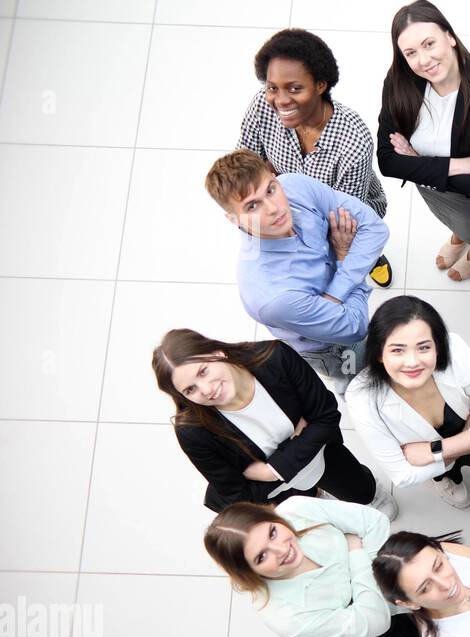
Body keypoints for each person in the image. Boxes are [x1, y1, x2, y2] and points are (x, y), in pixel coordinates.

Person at [153, 328, 395, 517]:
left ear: (218, 353)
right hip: (275, 492)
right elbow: (238, 493)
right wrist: (298, 445)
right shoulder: (192, 431)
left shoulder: (275, 358)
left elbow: (326, 416)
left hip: (322, 456)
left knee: (360, 490)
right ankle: (316, 495)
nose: (206, 390)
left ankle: (370, 498)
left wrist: (271, 470)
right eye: (190, 389)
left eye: (203, 371)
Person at [205, 149, 389, 392]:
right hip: (331, 348)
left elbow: (376, 229)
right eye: (252, 206)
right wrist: (344, 257)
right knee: (360, 384)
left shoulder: (293, 185)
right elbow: (354, 327)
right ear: (234, 219)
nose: (273, 208)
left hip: (341, 306)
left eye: (271, 189)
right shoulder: (271, 295)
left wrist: (335, 292)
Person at [239, 28, 394, 288]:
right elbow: (244, 169)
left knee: (356, 240)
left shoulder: (353, 140)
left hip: (345, 213)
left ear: (321, 85)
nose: (281, 100)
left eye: (295, 88)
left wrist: (270, 178)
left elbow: (344, 215)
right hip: (286, 209)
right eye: (273, 88)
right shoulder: (262, 106)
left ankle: (373, 259)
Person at [378, 2, 470, 282]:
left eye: (429, 44)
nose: (423, 60)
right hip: (438, 185)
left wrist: (415, 164)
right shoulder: (399, 80)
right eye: (411, 53)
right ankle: (458, 237)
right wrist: (453, 165)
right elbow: (387, 161)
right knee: (455, 221)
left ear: (450, 37)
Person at [345, 296, 470, 510]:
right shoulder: (361, 397)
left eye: (423, 348)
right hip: (455, 446)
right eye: (397, 350)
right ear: (379, 354)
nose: (412, 362)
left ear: (438, 347)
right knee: (449, 467)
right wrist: (467, 440)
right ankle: (448, 477)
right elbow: (402, 475)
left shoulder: (454, 347)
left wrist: (438, 450)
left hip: (432, 452)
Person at [204, 496, 415, 637]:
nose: (281, 550)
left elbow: (374, 521)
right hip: (393, 619)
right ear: (248, 571)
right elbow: (374, 622)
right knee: (411, 633)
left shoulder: (296, 509)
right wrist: (356, 553)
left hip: (400, 569)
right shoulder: (286, 619)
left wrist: (369, 593)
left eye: (273, 533)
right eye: (261, 556)